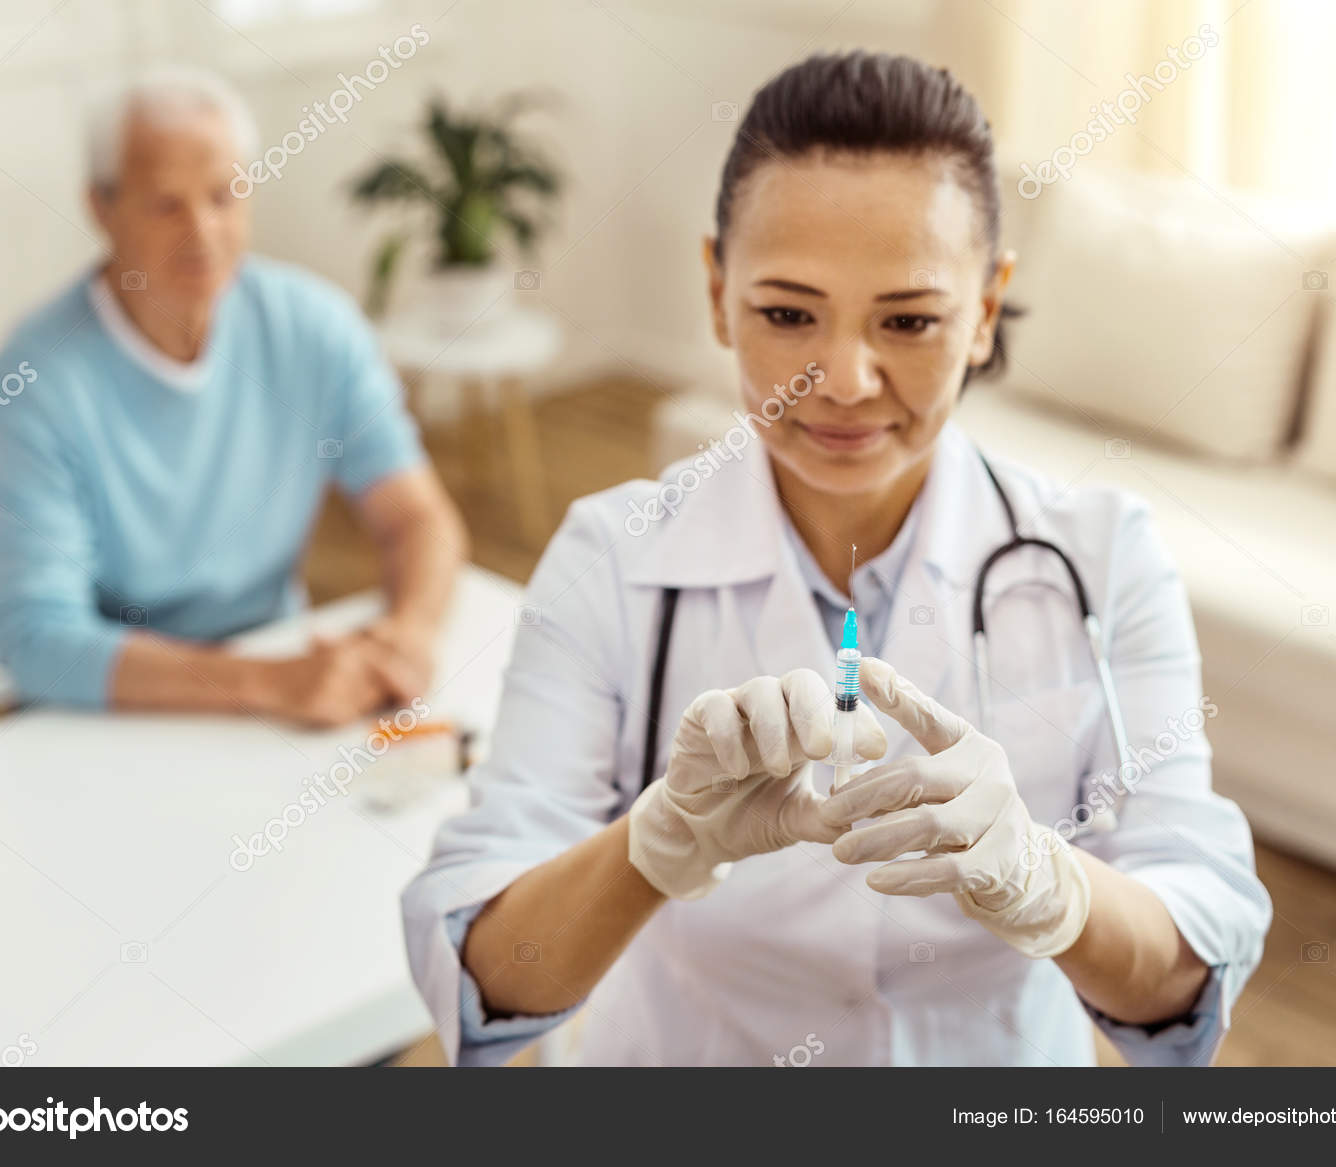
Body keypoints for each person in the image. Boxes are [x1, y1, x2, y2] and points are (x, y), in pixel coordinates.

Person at [402, 50, 1271, 1066]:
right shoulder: (611, 557)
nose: (847, 380)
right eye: (787, 314)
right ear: (716, 289)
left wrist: (1053, 887)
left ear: (985, 309)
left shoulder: (1102, 557)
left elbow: (1186, 976)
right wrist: (654, 846)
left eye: (907, 320)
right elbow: (485, 976)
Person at [0, 68, 465, 727]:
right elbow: (36, 638)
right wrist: (266, 682)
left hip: (270, 680)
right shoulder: (37, 375)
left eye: (225, 196)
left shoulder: (314, 326)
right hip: (109, 710)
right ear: (101, 208)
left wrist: (410, 632)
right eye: (167, 204)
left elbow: (417, 517)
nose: (202, 232)